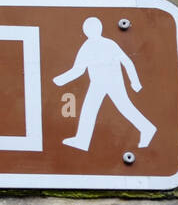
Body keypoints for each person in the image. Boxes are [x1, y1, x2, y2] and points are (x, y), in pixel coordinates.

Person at [52, 17, 156, 151]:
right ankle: (82, 140)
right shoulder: (93, 45)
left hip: (112, 82)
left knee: (123, 108)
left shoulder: (104, 44)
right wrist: (59, 81)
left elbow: (127, 62)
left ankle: (147, 128)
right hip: (98, 84)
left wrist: (135, 82)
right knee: (90, 110)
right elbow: (79, 70)